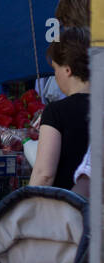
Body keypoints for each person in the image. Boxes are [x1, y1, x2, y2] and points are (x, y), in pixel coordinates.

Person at [29, 26, 90, 190]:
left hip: (67, 208)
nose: (55, 76)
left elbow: (44, 175)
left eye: (55, 69)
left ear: (68, 70)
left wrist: (29, 206)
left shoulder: (55, 112)